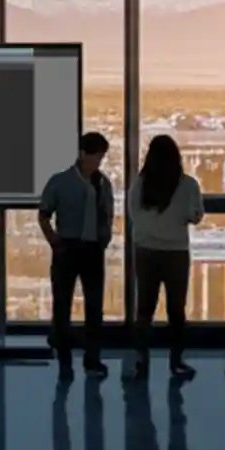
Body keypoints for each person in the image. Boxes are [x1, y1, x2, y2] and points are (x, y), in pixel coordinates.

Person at [127, 135, 204, 380]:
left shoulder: (139, 185)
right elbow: (195, 216)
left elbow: (132, 214)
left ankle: (140, 358)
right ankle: (176, 361)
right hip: (175, 252)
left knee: (144, 309)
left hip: (145, 250)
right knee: (176, 310)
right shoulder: (188, 185)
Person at [39, 132, 114, 380]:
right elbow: (44, 214)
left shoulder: (103, 184)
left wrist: (104, 237)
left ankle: (92, 359)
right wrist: (54, 241)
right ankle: (64, 358)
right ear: (82, 154)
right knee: (62, 304)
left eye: (101, 158)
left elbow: (108, 215)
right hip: (67, 248)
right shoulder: (60, 182)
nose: (98, 163)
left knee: (94, 307)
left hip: (93, 249)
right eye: (96, 157)